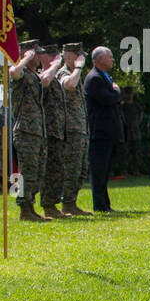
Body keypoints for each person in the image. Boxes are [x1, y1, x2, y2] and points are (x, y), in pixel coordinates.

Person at [8, 41, 54, 222]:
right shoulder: (21, 72)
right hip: (25, 130)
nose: (39, 56)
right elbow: (14, 73)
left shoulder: (34, 76)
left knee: (37, 171)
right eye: (37, 53)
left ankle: (30, 207)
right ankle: (24, 209)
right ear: (28, 54)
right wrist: (24, 59)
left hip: (37, 130)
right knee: (26, 171)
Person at [83, 46, 124, 213]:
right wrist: (116, 91)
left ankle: (104, 203)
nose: (113, 60)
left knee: (105, 169)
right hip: (99, 132)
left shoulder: (103, 77)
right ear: (99, 59)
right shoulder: (94, 79)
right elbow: (108, 99)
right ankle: (99, 204)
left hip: (108, 131)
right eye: (110, 57)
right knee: (99, 169)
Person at [59, 45, 91, 216]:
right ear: (68, 57)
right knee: (71, 168)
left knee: (80, 169)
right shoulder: (64, 73)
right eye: (78, 55)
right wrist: (77, 67)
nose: (81, 59)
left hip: (80, 129)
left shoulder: (77, 75)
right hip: (69, 130)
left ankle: (72, 203)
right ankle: (66, 203)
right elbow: (69, 85)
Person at [38, 45, 68, 218]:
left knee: (56, 169)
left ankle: (52, 204)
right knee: (46, 170)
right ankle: (44, 205)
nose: (58, 59)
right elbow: (45, 81)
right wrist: (54, 66)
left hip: (56, 130)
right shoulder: (42, 75)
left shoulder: (54, 77)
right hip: (45, 131)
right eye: (54, 56)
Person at [118, 87, 142, 175]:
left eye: (130, 93)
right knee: (124, 152)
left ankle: (136, 170)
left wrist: (136, 124)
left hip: (135, 131)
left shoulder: (136, 106)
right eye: (127, 93)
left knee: (136, 152)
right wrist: (127, 124)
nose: (129, 95)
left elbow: (140, 116)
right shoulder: (122, 106)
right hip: (126, 131)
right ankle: (124, 170)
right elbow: (122, 117)